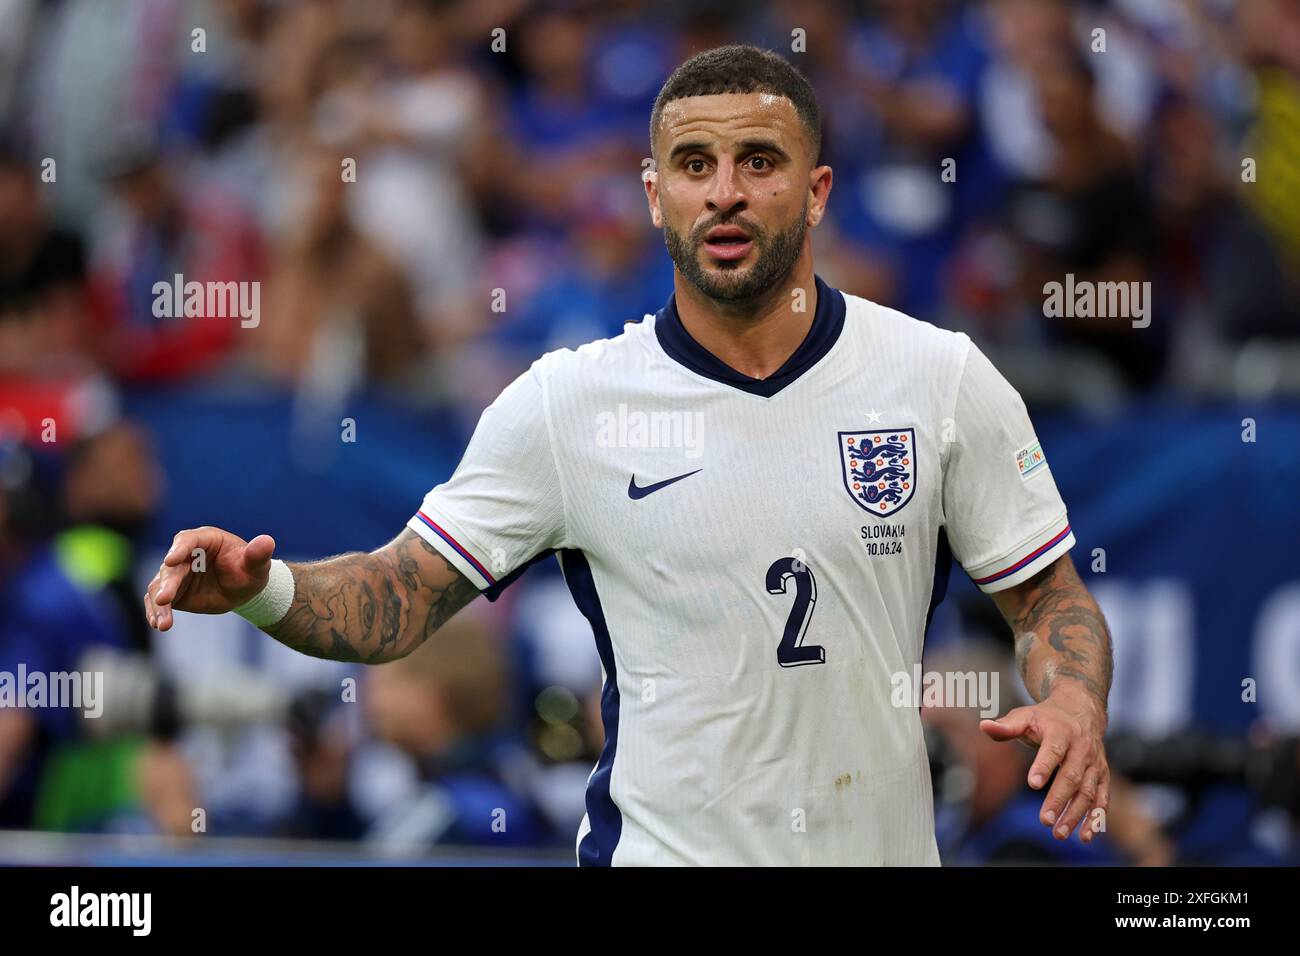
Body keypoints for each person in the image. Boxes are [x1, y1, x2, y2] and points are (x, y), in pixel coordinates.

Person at [144, 45, 1114, 866]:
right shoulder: (567, 405)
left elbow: (1047, 598)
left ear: (816, 192)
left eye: (758, 161)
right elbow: (398, 595)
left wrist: (1071, 695)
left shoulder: (938, 376)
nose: (724, 191)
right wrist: (260, 590)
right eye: (693, 164)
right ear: (654, 195)